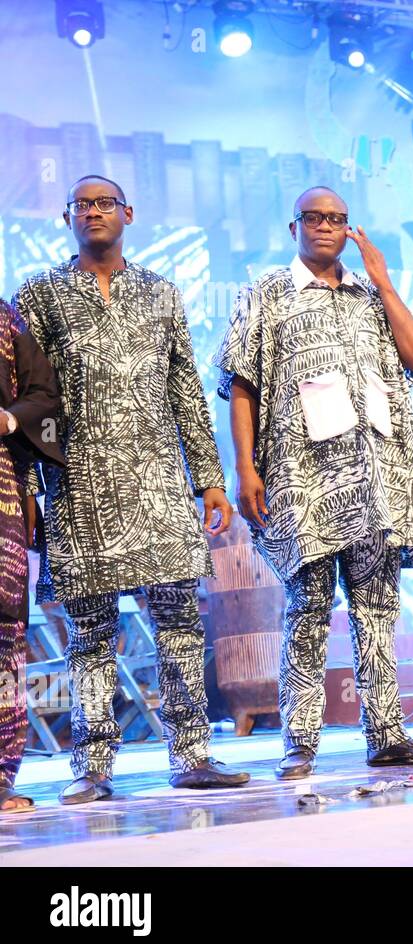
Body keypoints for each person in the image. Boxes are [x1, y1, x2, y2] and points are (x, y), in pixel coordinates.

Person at [12, 175, 248, 803]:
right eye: (82, 205)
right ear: (66, 218)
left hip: (161, 480)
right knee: (89, 633)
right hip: (79, 482)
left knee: (177, 624)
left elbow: (184, 393)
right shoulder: (38, 296)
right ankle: (92, 767)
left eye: (104, 204)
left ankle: (192, 753)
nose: (94, 212)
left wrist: (210, 482)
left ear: (128, 214)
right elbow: (35, 400)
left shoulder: (162, 293)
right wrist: (39, 485)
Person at [218, 187, 413, 780]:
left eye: (338, 219)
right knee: (307, 608)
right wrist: (245, 469)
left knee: (377, 609)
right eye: (315, 218)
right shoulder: (266, 292)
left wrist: (383, 279)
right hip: (303, 479)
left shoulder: (369, 295)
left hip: (377, 480)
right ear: (293, 224)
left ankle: (387, 733)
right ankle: (299, 742)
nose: (326, 227)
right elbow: (242, 385)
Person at [0, 300, 64, 813]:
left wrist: (6, 418)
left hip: (1, 488)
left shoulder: (5, 319)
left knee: (4, 636)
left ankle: (0, 778)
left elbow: (44, 395)